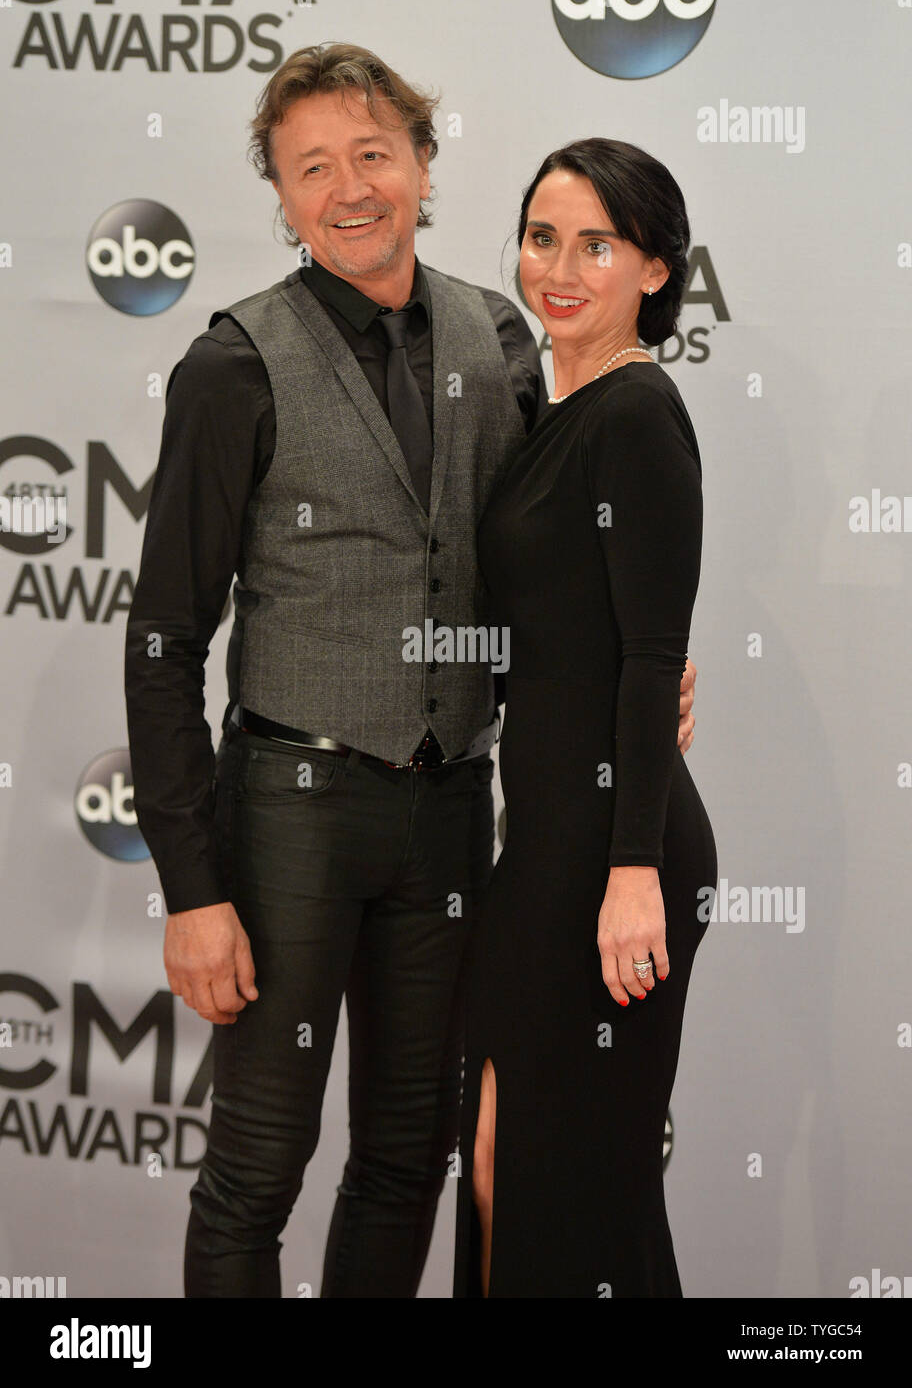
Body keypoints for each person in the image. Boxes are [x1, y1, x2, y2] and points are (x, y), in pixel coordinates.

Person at [124, 44, 697, 1299]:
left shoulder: (501, 337)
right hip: (289, 814)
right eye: (311, 166)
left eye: (373, 154)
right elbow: (164, 639)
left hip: (452, 818)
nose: (350, 189)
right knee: (256, 1171)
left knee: (405, 1160)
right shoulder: (233, 366)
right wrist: (188, 885)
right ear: (279, 196)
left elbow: (563, 547)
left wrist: (640, 675)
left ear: (425, 165)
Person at [453, 139, 717, 1298]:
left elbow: (652, 652)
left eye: (596, 245)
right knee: (504, 1161)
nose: (558, 268)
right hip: (545, 847)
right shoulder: (548, 410)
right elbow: (557, 641)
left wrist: (631, 873)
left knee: (578, 1183)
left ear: (654, 270)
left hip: (618, 861)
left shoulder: (639, 412)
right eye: (542, 236)